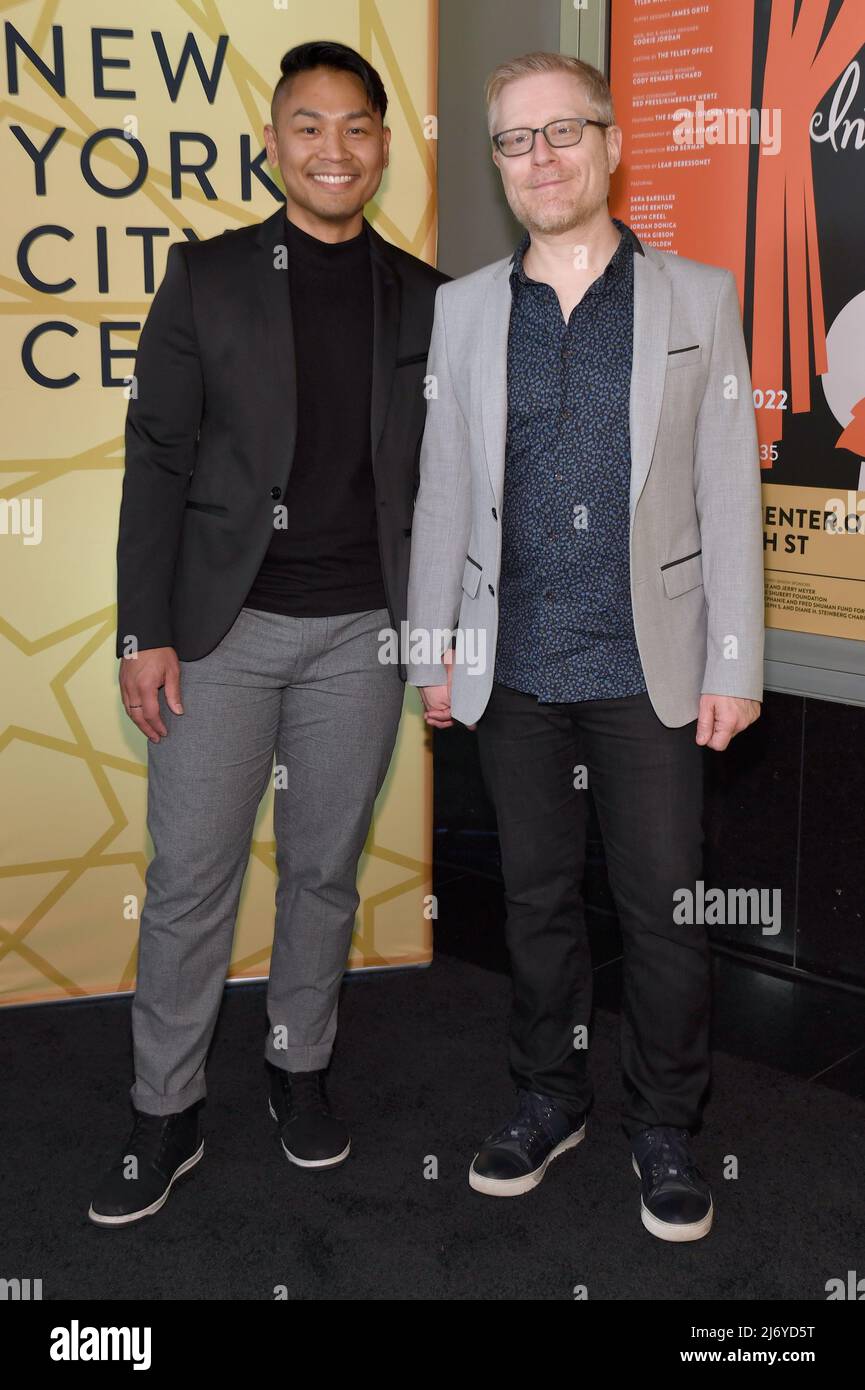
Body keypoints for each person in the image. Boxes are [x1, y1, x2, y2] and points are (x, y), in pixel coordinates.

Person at [406, 52, 763, 1241]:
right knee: (536, 903)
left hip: (647, 667)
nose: (540, 158)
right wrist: (429, 655)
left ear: (612, 145)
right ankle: (547, 1096)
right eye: (515, 141)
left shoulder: (697, 298)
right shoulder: (462, 309)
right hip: (511, 667)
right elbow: (443, 491)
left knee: (663, 913)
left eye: (564, 133)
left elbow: (725, 497)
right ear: (498, 164)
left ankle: (664, 1124)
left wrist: (733, 661)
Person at [91, 40, 447, 1226]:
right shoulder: (207, 276)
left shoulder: (427, 296)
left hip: (362, 636)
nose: (332, 148)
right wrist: (144, 629)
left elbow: (444, 483)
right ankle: (164, 1108)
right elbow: (159, 459)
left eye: (355, 127)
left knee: (324, 873)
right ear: (273, 143)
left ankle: (297, 1067)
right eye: (308, 125)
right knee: (189, 880)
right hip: (218, 632)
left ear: (384, 146)